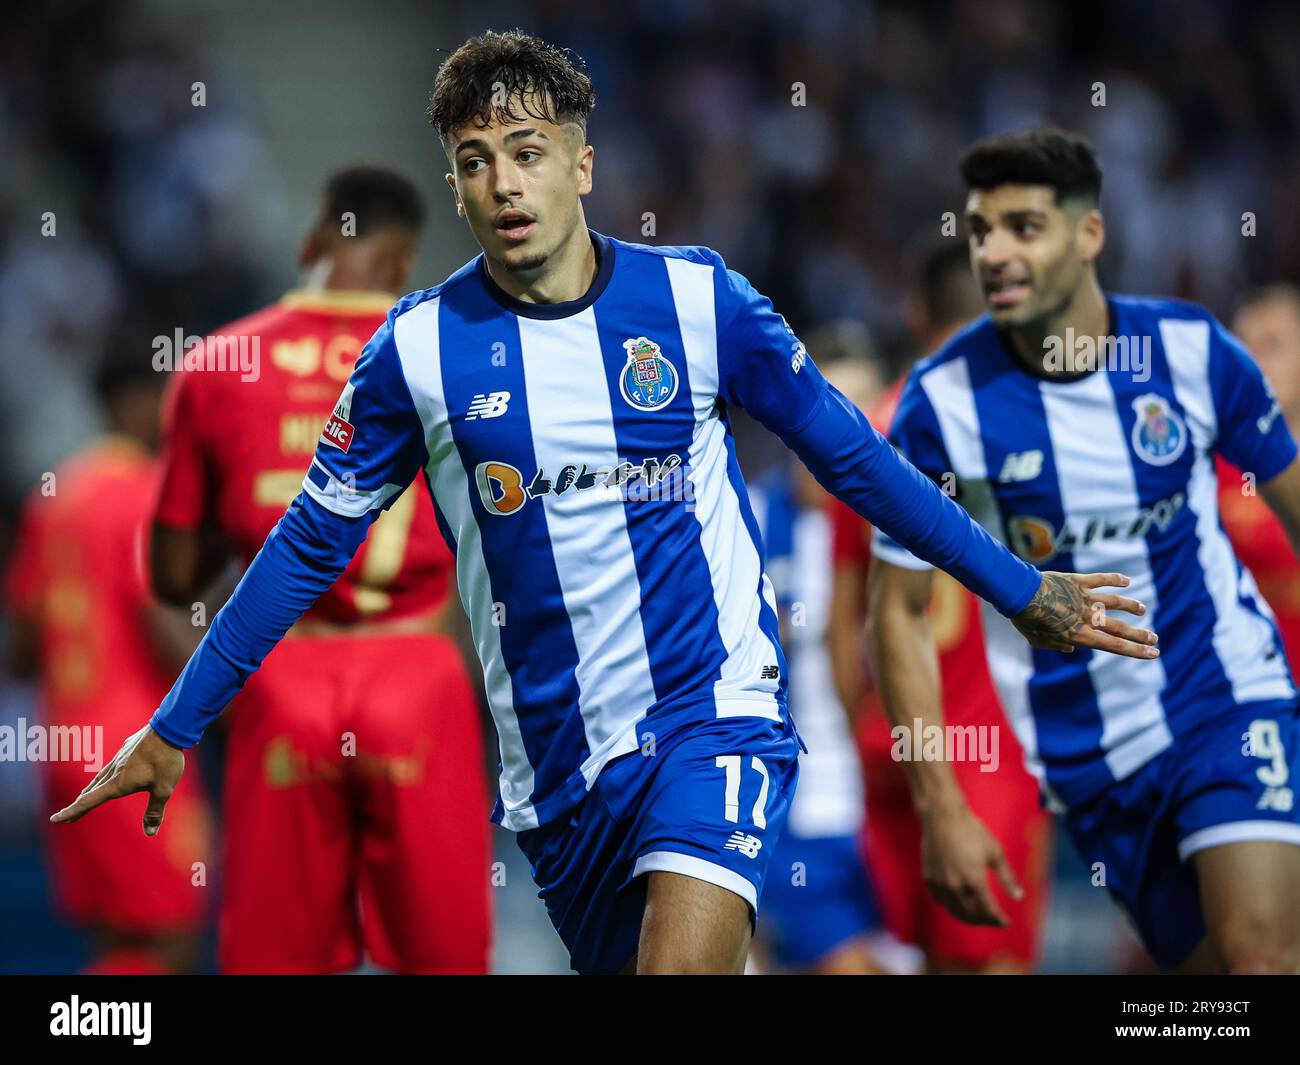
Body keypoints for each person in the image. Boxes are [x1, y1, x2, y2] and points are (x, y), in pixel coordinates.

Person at [52, 34, 1155, 977]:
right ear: (453, 182)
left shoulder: (697, 300)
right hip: (559, 769)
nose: (503, 185)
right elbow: (303, 548)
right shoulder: (418, 351)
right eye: (475, 162)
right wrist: (174, 724)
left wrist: (1020, 589)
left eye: (527, 155)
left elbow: (858, 463)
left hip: (712, 710)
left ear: (582, 164)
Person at [869, 127, 1300, 973]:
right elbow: (897, 613)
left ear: (1089, 234)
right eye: (981, 231)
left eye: (1023, 227)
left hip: (1225, 696)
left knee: (1261, 957)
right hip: (1089, 761)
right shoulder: (941, 403)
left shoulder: (1190, 352)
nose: (994, 252)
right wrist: (942, 805)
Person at [150, 165, 490, 974]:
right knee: (443, 957)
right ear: (404, 262)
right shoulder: (458, 353)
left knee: (277, 959)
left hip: (282, 672)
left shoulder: (216, 362)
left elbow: (172, 576)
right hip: (418, 672)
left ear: (310, 244)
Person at [829, 237, 1052, 973]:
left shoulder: (861, 434)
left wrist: (865, 729)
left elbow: (841, 615)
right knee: (988, 962)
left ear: (917, 314)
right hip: (979, 744)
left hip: (882, 744)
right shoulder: (1020, 427)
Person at [8, 356, 212, 973]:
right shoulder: (148, 491)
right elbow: (165, 628)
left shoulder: (55, 496)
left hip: (64, 745)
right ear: (139, 403)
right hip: (138, 749)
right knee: (172, 934)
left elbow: (20, 648)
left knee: (116, 933)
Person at [750, 347, 892, 975]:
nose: (843, 427)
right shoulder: (744, 523)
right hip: (803, 820)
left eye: (863, 411)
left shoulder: (915, 532)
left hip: (898, 803)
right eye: (826, 406)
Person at [1218, 284, 1300, 668]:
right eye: (1242, 348)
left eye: (1271, 346)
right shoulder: (1211, 470)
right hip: (1249, 698)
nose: (1253, 363)